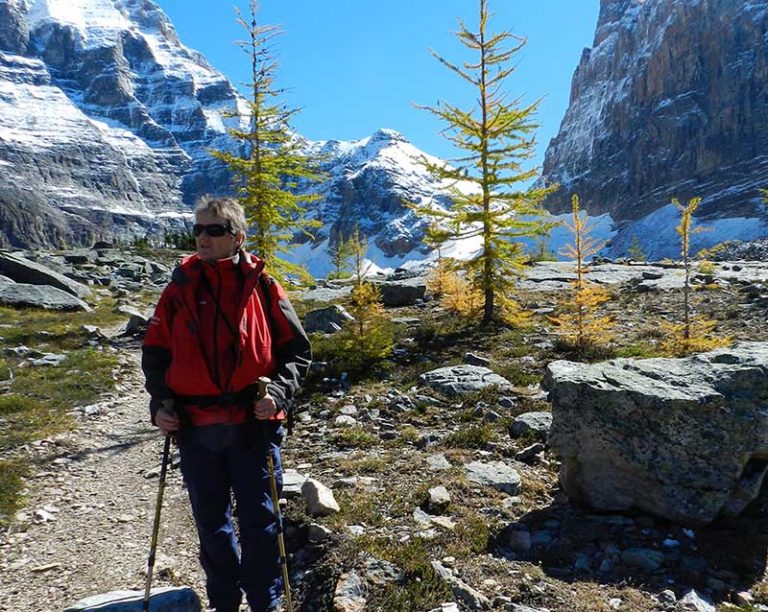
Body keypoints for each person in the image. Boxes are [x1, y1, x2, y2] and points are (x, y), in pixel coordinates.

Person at [142, 195, 311, 612]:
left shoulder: (264, 286)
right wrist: (161, 404)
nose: (202, 237)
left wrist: (277, 394)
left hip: (253, 423)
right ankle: (225, 602)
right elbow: (156, 353)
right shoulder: (179, 288)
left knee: (260, 520)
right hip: (196, 426)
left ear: (237, 237)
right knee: (211, 523)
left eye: (213, 230)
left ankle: (265, 601)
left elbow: (296, 351)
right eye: (198, 229)